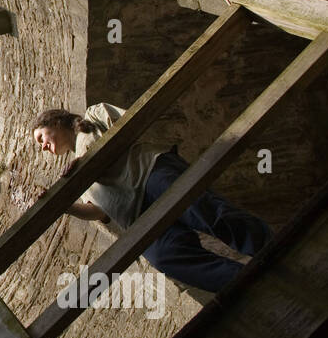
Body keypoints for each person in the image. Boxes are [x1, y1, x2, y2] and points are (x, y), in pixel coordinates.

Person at [32, 103, 273, 293]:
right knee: (166, 257)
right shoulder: (75, 177)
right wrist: (60, 204)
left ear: (55, 121)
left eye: (41, 138)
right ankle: (248, 282)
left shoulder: (93, 115)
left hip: (150, 174)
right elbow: (98, 211)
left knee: (206, 212)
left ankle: (269, 247)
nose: (42, 148)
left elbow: (130, 123)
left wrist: (88, 159)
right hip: (139, 216)